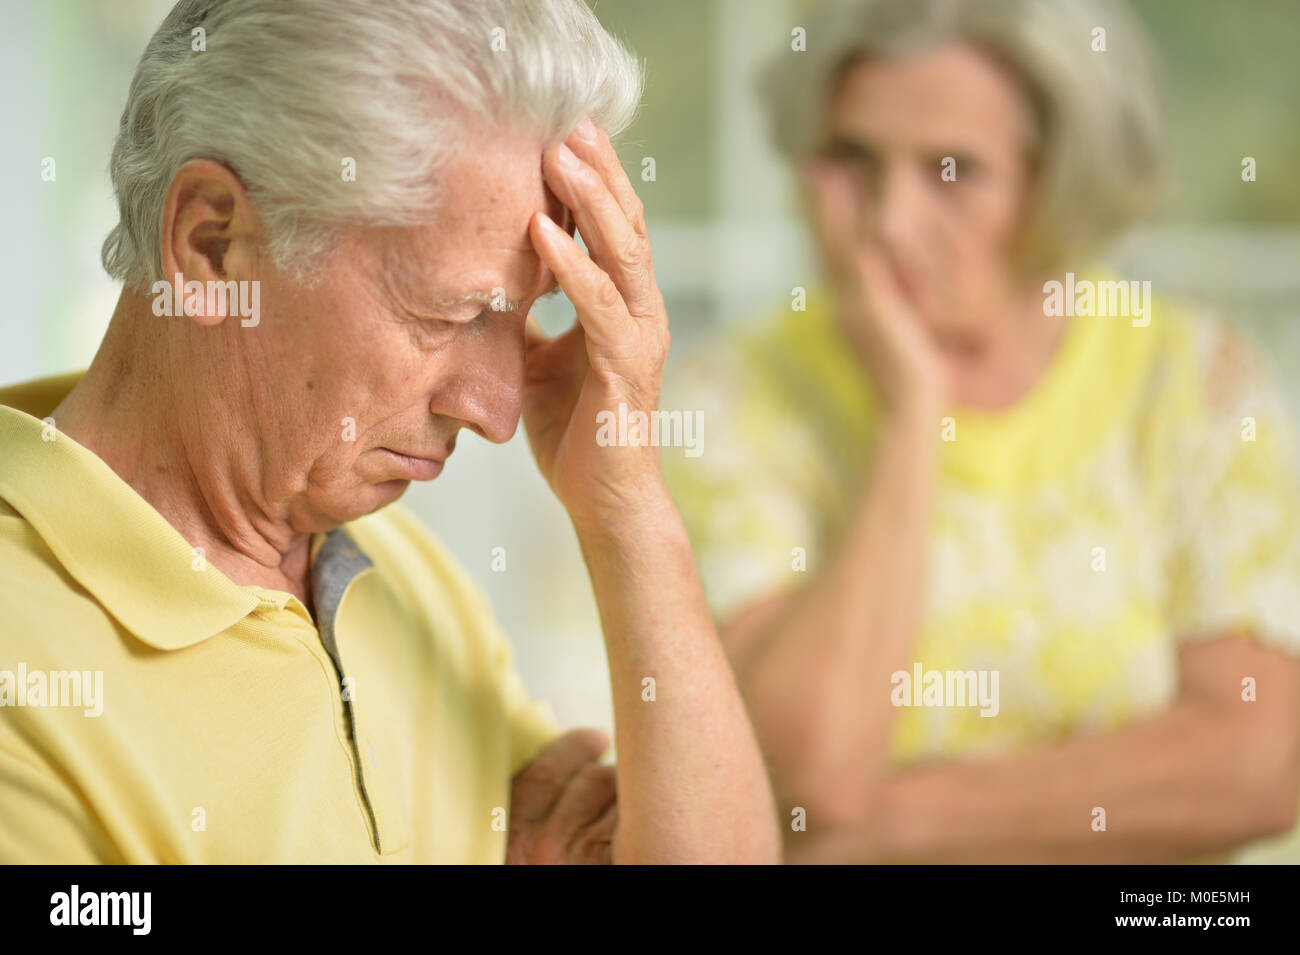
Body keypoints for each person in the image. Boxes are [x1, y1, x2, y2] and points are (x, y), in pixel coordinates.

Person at [0, 0, 779, 864]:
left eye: (521, 316)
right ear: (212, 244)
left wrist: (628, 508)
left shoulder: (403, 574)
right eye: (448, 312)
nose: (497, 409)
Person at [663, 0, 1300, 863]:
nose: (889, 221)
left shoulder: (1195, 380)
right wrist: (912, 418)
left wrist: (892, 823)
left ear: (1062, 181)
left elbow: (1261, 763)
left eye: (953, 169)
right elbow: (811, 770)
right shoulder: (733, 395)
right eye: (852, 157)